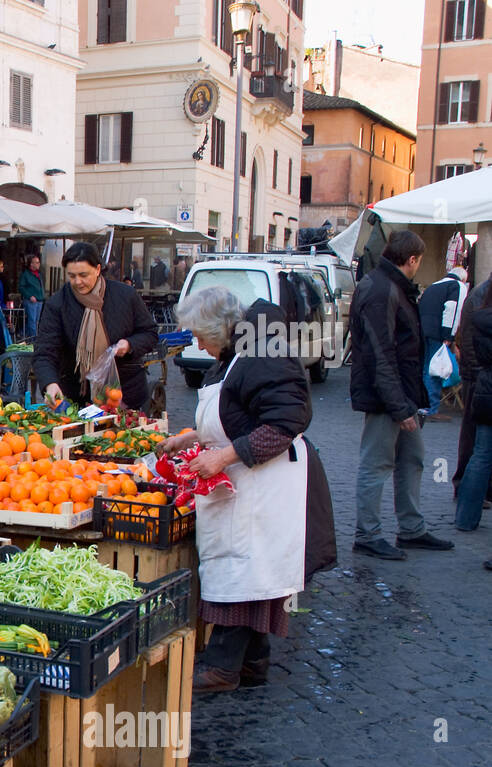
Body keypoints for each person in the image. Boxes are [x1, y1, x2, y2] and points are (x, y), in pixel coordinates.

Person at [161, 287, 336, 692]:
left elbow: (287, 420)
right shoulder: (233, 355)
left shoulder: (262, 355)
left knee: (246, 571)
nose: (196, 344)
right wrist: (191, 438)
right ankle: (253, 662)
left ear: (218, 328)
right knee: (243, 570)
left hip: (266, 486)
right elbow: (235, 414)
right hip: (243, 485)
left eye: (198, 335)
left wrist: (222, 458)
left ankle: (223, 668)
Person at [349, 230, 453, 560]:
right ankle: (367, 534)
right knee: (377, 463)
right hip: (388, 397)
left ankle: (411, 528)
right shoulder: (382, 290)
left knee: (411, 458)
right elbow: (382, 354)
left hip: (399, 395)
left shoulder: (388, 286)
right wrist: (399, 406)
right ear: (412, 260)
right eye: (419, 262)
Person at [33, 241, 159, 411]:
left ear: (98, 270)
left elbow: (149, 333)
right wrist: (50, 383)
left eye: (83, 275)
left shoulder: (125, 295)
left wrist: (129, 345)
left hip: (127, 394)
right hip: (77, 399)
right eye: (71, 276)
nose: (77, 282)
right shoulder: (58, 303)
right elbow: (45, 351)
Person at [454, 287, 492, 534]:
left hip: (486, 387)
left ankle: (465, 519)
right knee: (481, 454)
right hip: (483, 384)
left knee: (481, 454)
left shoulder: (480, 318)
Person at [417, 266, 468, 420]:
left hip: (424, 331)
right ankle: (431, 408)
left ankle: (424, 406)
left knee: (427, 368)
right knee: (436, 369)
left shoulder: (434, 286)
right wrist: (449, 335)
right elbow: (453, 310)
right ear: (464, 279)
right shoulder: (457, 286)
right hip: (438, 332)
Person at [19, 255, 45, 338]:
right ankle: (33, 340)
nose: (38, 264)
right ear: (31, 264)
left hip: (39, 299)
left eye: (39, 262)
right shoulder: (26, 274)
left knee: (36, 321)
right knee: (32, 321)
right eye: (36, 262)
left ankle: (23, 334)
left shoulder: (39, 274)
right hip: (31, 300)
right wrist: (29, 296)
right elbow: (21, 287)